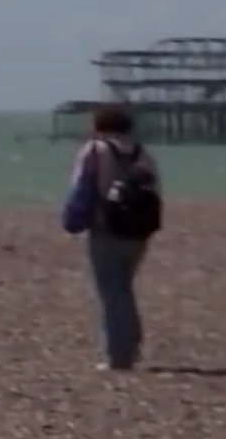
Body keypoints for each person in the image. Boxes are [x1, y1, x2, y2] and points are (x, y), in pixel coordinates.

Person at [61, 104, 163, 371]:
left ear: (98, 126)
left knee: (111, 292)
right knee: (123, 288)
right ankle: (132, 344)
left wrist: (72, 221)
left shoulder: (94, 150)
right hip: (139, 232)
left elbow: (80, 189)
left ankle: (120, 356)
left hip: (106, 229)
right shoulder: (143, 153)